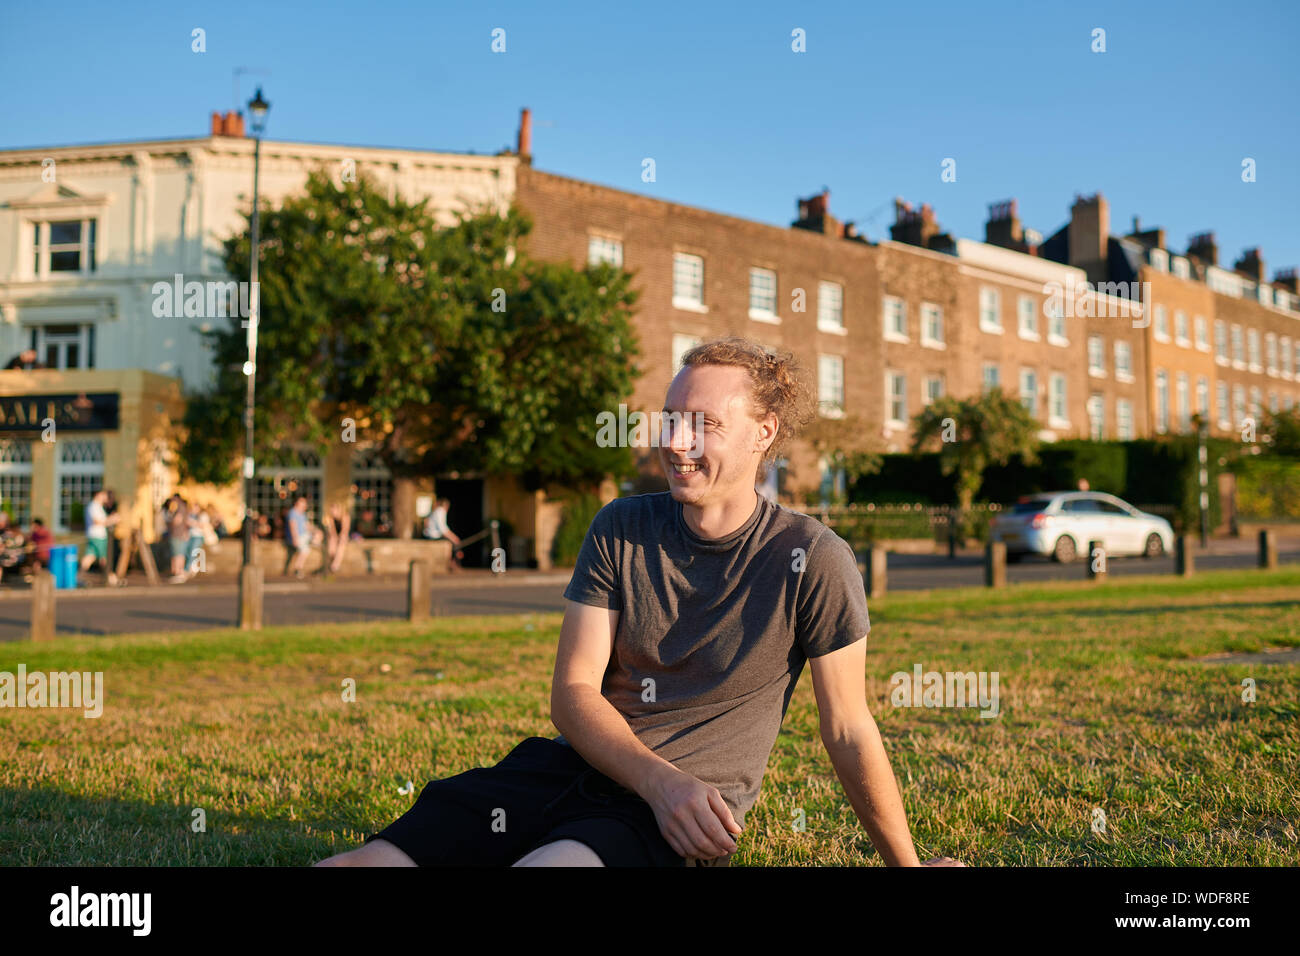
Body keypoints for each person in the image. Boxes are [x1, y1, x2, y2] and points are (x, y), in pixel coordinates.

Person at [317, 336, 963, 869]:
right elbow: (573, 691)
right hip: (567, 771)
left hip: (676, 817)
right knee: (366, 864)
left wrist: (906, 867)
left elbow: (847, 727)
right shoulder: (620, 527)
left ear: (764, 433)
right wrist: (656, 778)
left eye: (703, 424)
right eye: (671, 419)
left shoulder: (812, 557)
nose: (677, 441)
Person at [79, 489, 121, 587]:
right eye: (104, 495)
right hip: (97, 536)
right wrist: (112, 520)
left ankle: (78, 577)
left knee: (89, 558)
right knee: (104, 558)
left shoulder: (98, 506)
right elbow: (97, 521)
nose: (105, 497)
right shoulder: (93, 506)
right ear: (98, 495)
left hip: (97, 535)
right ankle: (111, 579)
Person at [424, 497, 463, 572]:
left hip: (432, 535)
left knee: (454, 543)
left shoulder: (436, 511)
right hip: (434, 536)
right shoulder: (440, 511)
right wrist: (454, 538)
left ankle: (453, 562)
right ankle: (453, 563)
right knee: (455, 544)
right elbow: (443, 529)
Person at [283, 496, 314, 579]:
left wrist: (314, 530)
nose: (304, 504)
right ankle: (297, 568)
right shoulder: (292, 513)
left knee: (318, 536)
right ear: (297, 503)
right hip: (297, 536)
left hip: (304, 535)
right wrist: (295, 538)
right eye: (302, 502)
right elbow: (293, 527)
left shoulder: (302, 514)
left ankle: (298, 568)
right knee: (305, 550)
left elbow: (307, 526)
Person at [167, 497, 191, 582]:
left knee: (178, 555)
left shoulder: (179, 509)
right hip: (180, 535)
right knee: (179, 554)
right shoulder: (183, 509)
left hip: (177, 535)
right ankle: (179, 573)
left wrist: (169, 521)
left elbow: (177, 520)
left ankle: (178, 573)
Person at [322, 502, 351, 575]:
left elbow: (345, 530)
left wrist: (340, 537)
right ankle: (332, 565)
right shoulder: (330, 518)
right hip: (335, 536)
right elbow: (332, 531)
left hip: (343, 535)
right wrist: (334, 538)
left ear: (338, 510)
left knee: (341, 544)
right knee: (331, 549)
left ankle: (335, 565)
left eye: (333, 510)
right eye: (331, 511)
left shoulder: (345, 516)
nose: (332, 512)